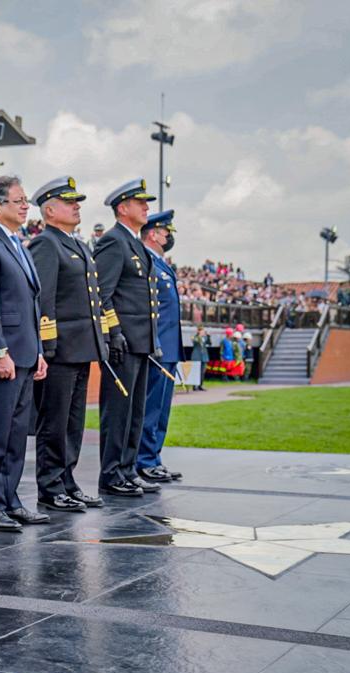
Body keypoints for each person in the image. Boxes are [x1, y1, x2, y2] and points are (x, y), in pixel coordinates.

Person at [0, 176, 50, 531]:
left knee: (17, 432)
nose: (25, 206)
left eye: (25, 201)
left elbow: (30, 303)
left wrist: (37, 351)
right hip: (4, 354)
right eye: (18, 200)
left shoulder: (17, 243)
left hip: (25, 352)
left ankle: (10, 498)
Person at [27, 176, 107, 511]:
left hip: (81, 347)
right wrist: (47, 346)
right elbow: (43, 298)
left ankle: (67, 480)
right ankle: (50, 485)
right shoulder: (47, 243)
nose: (77, 207)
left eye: (78, 202)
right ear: (49, 209)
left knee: (74, 421)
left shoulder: (78, 245)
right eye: (69, 202)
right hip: (59, 349)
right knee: (55, 421)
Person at [93, 179, 161, 497]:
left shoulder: (134, 243)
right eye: (141, 202)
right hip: (123, 342)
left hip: (141, 342)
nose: (147, 207)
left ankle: (127, 469)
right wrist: (114, 332)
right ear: (123, 208)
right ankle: (111, 473)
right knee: (118, 411)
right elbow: (102, 295)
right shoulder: (113, 242)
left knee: (135, 411)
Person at [136, 210, 184, 483]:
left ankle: (154, 457)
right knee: (151, 407)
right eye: (166, 232)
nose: (169, 237)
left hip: (168, 346)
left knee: (162, 409)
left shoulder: (160, 264)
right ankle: (144, 461)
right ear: (153, 234)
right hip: (156, 348)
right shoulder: (146, 262)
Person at [190, 325, 210, 391]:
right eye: (201, 331)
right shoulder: (195, 337)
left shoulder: (205, 338)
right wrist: (200, 336)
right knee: (196, 372)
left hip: (204, 357)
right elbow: (195, 341)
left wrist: (208, 336)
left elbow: (209, 343)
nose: (203, 332)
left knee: (202, 372)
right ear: (198, 331)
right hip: (196, 357)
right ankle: (194, 385)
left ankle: (200, 385)